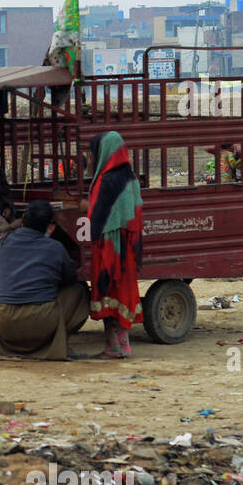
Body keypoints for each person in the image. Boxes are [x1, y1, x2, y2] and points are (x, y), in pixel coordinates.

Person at [0, 200, 89, 360]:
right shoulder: (55, 248)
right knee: (80, 290)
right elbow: (70, 278)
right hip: (43, 323)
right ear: (50, 226)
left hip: (4, 322)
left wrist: (8, 227)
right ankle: (58, 343)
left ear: (22, 221)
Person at [87, 131, 143, 358]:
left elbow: (98, 217)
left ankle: (114, 348)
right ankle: (123, 345)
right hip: (127, 249)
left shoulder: (106, 179)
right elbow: (135, 213)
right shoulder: (131, 178)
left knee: (107, 291)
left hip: (108, 249)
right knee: (122, 292)